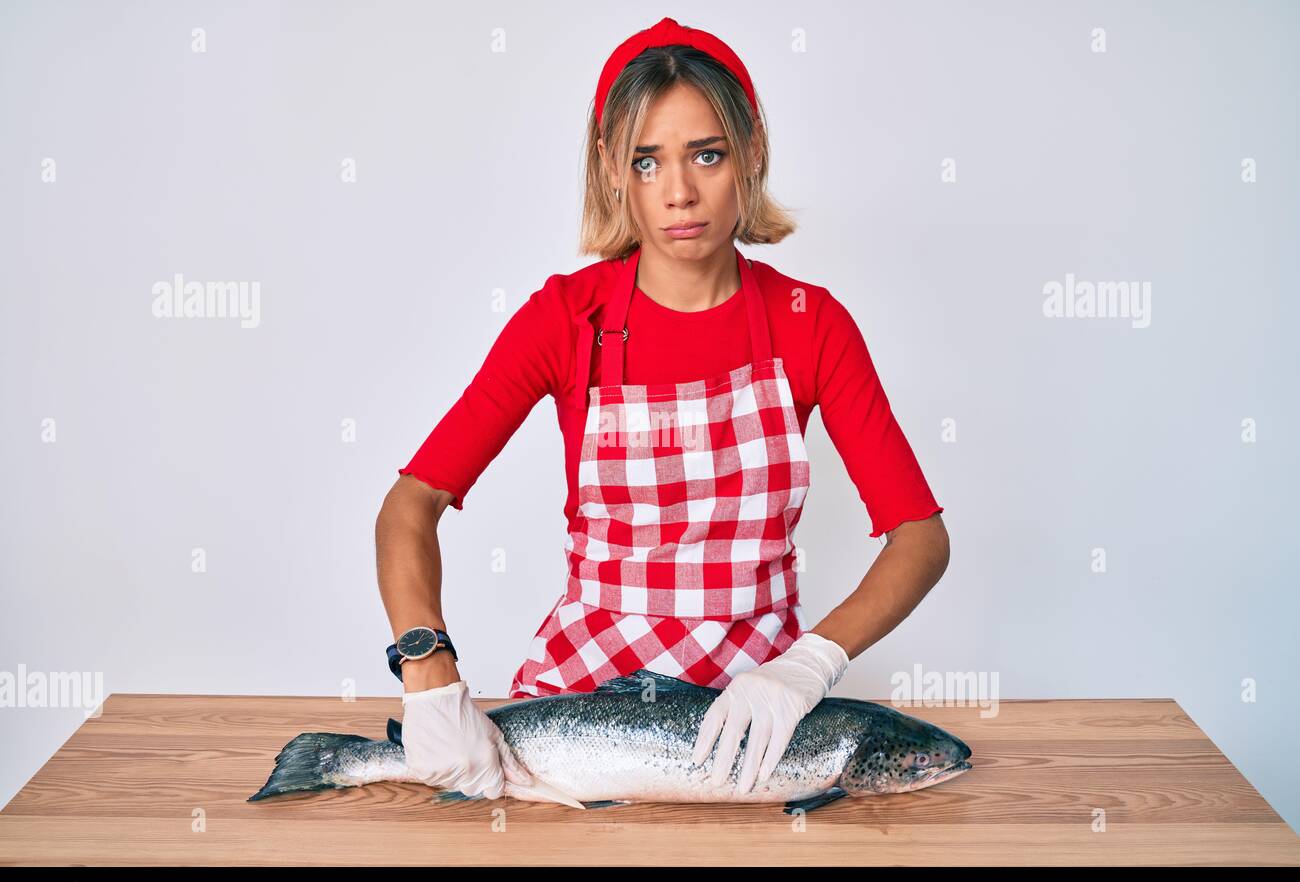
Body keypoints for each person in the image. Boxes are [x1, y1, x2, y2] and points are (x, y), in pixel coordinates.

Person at [374, 17, 949, 803]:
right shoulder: (565, 321)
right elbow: (413, 503)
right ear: (612, 168)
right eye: (648, 161)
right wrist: (428, 672)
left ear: (752, 153)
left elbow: (919, 537)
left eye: (706, 155)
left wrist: (808, 665)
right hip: (577, 714)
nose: (679, 193)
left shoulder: (813, 325)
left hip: (759, 723)